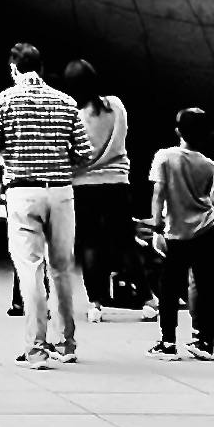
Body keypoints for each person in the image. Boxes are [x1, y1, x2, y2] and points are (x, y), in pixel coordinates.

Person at [0, 46, 90, 365]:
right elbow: (83, 152)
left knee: (30, 269)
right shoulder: (66, 101)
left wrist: (11, 159)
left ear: (14, 68)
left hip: (22, 192)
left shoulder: (4, 101)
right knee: (61, 269)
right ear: (41, 68)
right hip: (60, 192)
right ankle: (67, 342)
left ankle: (37, 345)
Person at [146, 109, 214, 361]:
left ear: (178, 131)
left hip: (176, 233)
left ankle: (168, 341)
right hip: (206, 231)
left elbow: (159, 194)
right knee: (205, 286)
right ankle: (205, 341)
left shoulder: (164, 157)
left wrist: (157, 225)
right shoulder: (209, 165)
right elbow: (210, 198)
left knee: (170, 288)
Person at [63, 58, 133, 319]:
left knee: (91, 244)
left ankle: (96, 304)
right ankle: (149, 299)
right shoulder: (116, 106)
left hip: (83, 186)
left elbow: (74, 155)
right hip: (117, 182)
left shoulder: (74, 115)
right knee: (125, 241)